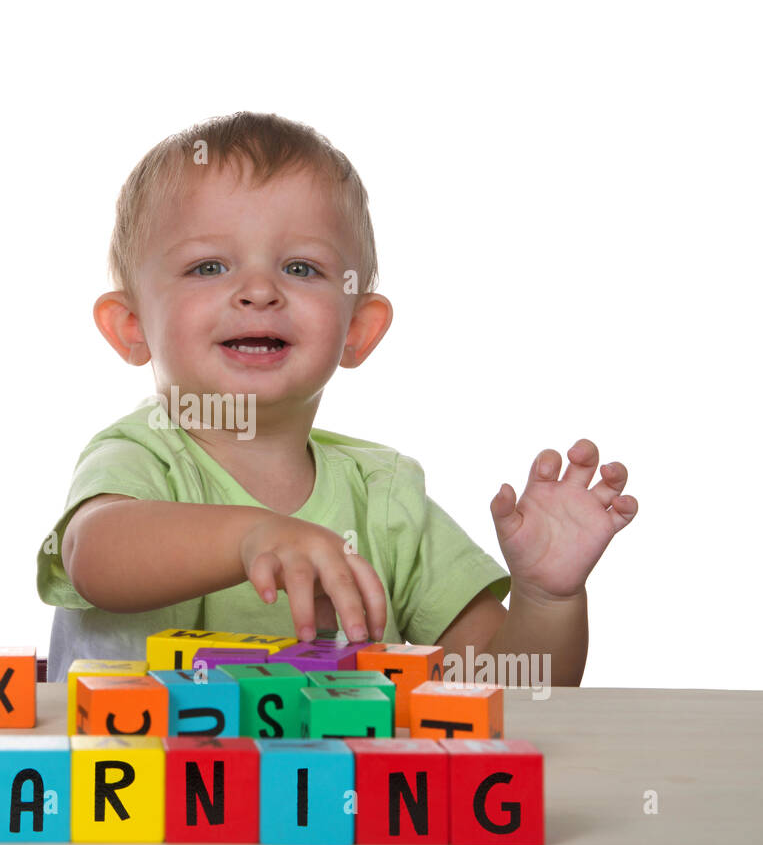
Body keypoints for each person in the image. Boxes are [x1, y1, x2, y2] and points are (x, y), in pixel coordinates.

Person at [36, 111, 637, 685]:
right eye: (208, 266)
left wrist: (546, 597)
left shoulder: (385, 500)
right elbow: (95, 556)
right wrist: (253, 538)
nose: (259, 290)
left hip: (330, 795)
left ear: (357, 330)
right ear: (131, 326)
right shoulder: (142, 456)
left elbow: (508, 690)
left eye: (301, 268)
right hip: (136, 788)